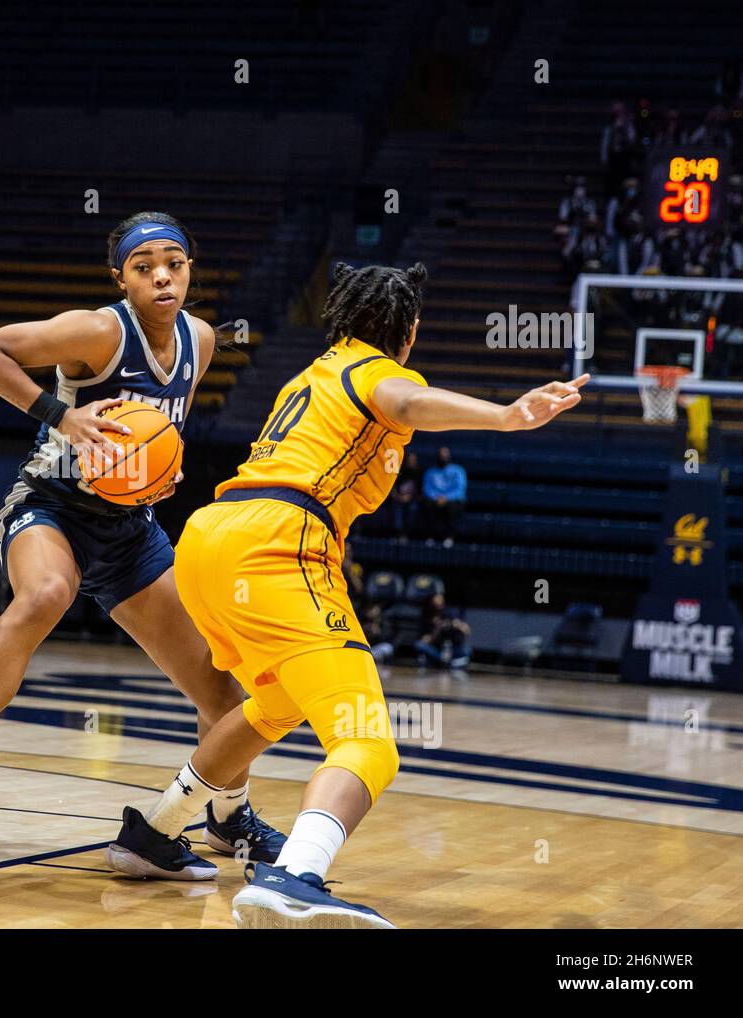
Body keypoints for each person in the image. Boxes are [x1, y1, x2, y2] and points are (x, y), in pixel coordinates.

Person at [119, 261, 587, 927]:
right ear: (410, 331)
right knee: (370, 743)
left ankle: (153, 831)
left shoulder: (316, 371)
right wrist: (508, 417)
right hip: (278, 540)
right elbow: (408, 404)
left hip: (210, 536)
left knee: (274, 705)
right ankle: (297, 877)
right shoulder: (378, 372)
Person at [0, 212, 287, 868]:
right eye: (143, 265)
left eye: (173, 263)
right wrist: (61, 416)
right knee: (46, 592)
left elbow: (157, 433)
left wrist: (161, 468)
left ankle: (227, 819)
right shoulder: (98, 330)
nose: (161, 276)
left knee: (223, 689)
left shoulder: (201, 341)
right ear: (120, 277)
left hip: (130, 532)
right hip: (53, 505)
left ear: (190, 270)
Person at [422, 446, 466, 546]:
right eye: (441, 455)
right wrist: (437, 498)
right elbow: (427, 489)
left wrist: (446, 498)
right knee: (426, 505)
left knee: (453, 507)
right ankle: (430, 536)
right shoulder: (430, 472)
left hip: (452, 500)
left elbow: (460, 489)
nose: (443, 457)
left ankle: (449, 537)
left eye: (445, 454)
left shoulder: (458, 470)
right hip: (435, 499)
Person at [415, 592, 470, 669]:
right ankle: (446, 661)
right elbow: (424, 640)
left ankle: (447, 661)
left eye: (441, 600)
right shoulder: (426, 617)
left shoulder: (449, 613)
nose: (439, 603)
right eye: (436, 601)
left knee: (467, 649)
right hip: (437, 648)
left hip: (451, 647)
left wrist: (458, 625)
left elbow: (467, 630)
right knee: (419, 645)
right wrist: (437, 630)